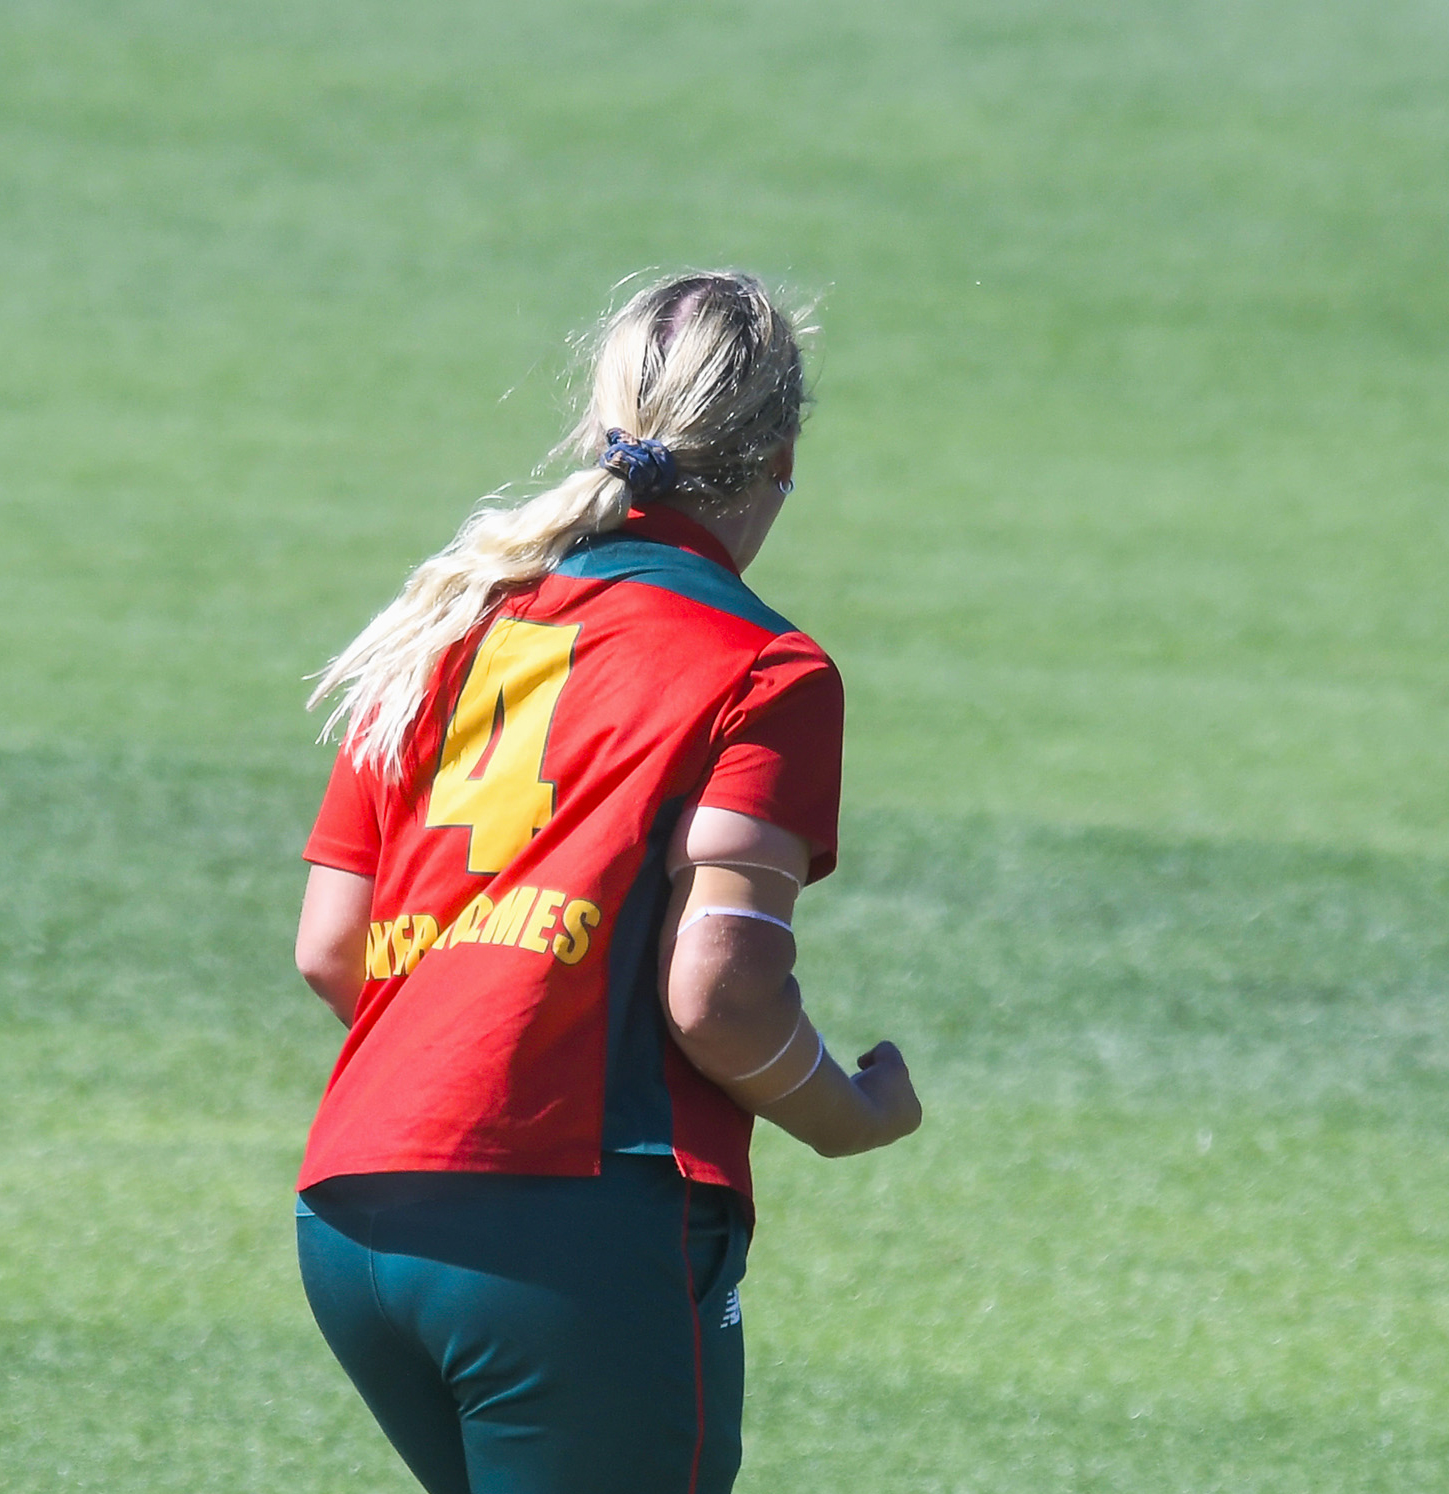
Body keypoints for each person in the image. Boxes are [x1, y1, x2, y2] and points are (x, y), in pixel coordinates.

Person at [290, 270, 923, 1494]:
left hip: (357, 1215)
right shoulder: (765, 668)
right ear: (780, 455)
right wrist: (852, 1115)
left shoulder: (454, 621)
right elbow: (720, 997)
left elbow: (333, 948)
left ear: (604, 423)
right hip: (569, 1229)